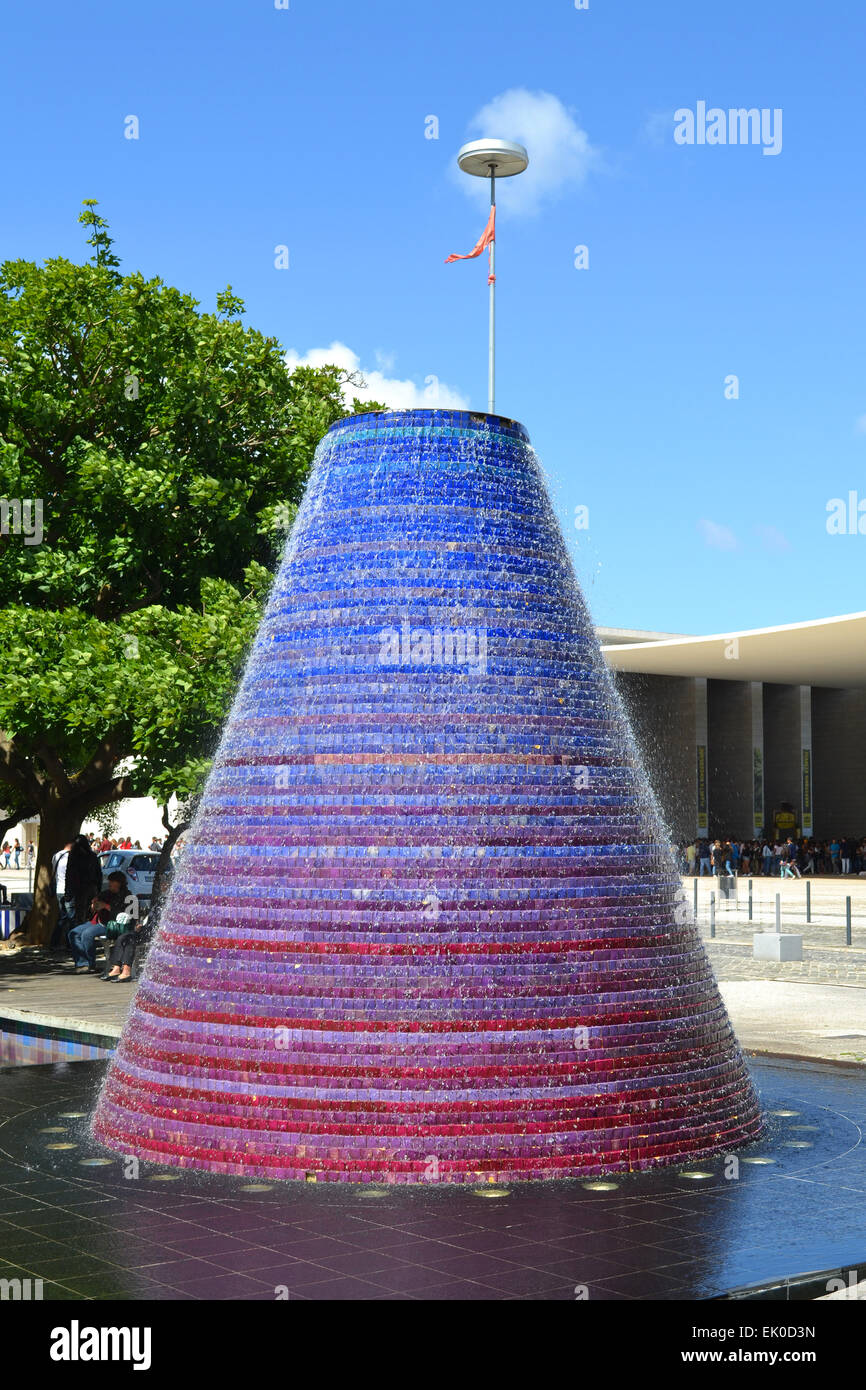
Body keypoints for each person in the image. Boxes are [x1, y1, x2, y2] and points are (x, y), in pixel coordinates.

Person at [68, 871, 135, 972]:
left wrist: (107, 907)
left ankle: (90, 964)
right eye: (110, 884)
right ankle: (81, 962)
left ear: (120, 884)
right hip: (97, 921)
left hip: (110, 924)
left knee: (87, 934)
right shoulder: (106, 893)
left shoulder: (127, 895)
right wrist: (94, 904)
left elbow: (124, 915)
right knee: (73, 933)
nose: (111, 887)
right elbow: (94, 906)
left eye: (114, 885)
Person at [49, 839, 76, 952]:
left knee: (62, 917)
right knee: (71, 918)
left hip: (58, 889)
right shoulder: (70, 857)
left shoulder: (56, 856)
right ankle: (71, 944)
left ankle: (54, 942)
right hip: (68, 890)